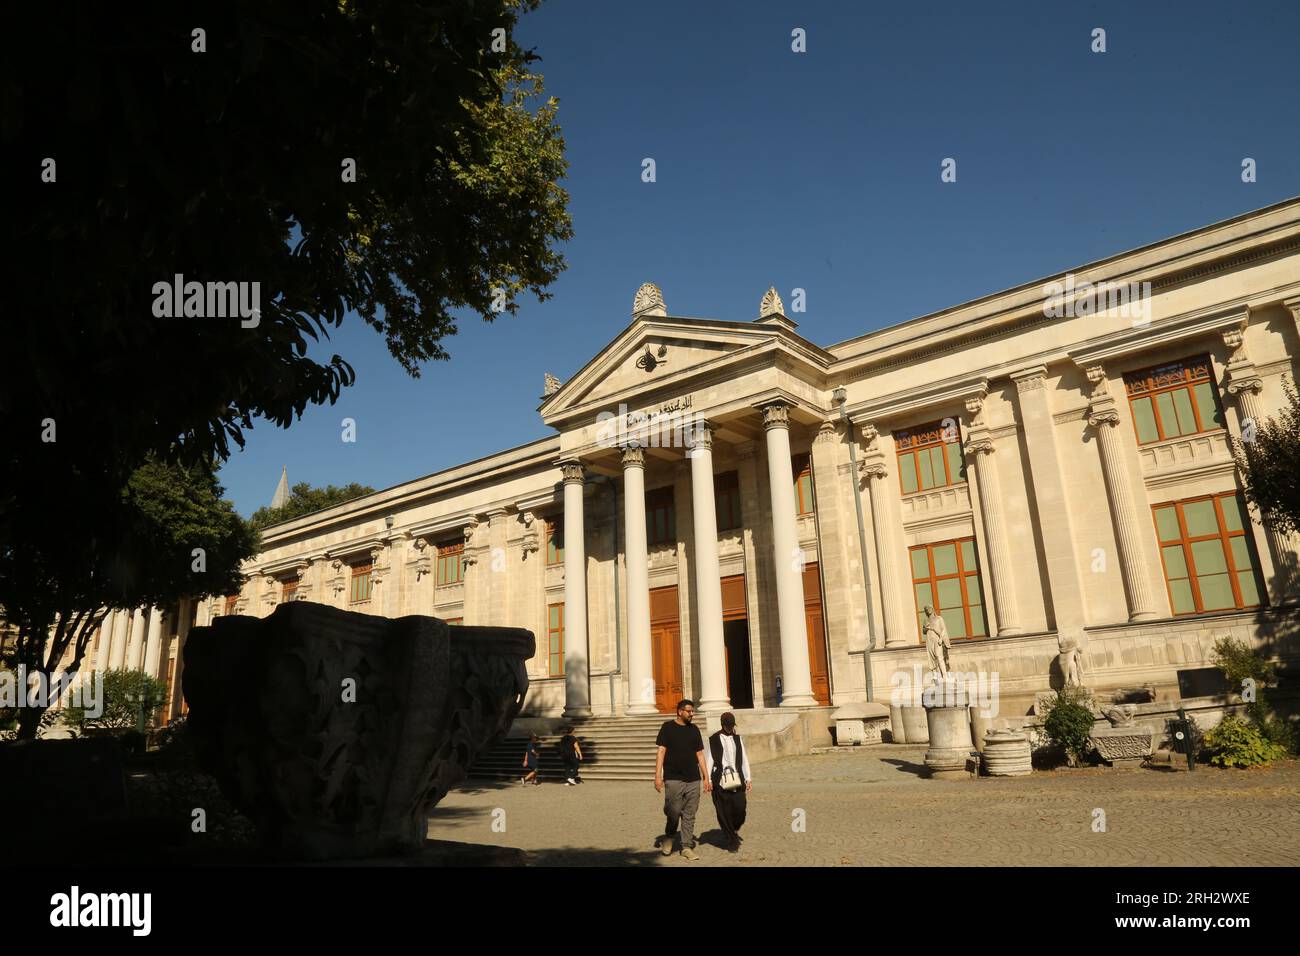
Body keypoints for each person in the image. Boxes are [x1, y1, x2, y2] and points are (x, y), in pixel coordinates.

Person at [654, 699, 710, 861]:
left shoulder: (694, 730)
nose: (692, 714)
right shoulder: (667, 728)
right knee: (673, 811)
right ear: (679, 712)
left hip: (693, 778)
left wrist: (706, 777)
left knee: (689, 814)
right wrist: (658, 776)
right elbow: (661, 752)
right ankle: (670, 836)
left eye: (693, 711)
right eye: (689, 711)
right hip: (673, 778)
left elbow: (700, 754)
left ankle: (686, 846)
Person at [705, 711, 752, 852]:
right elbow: (709, 759)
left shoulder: (737, 739)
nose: (730, 728)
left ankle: (734, 828)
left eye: (732, 726)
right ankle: (731, 840)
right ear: (722, 725)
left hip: (737, 779)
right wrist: (707, 780)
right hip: (720, 780)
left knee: (740, 809)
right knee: (723, 812)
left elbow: (743, 758)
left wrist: (748, 777)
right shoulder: (714, 739)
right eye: (728, 726)